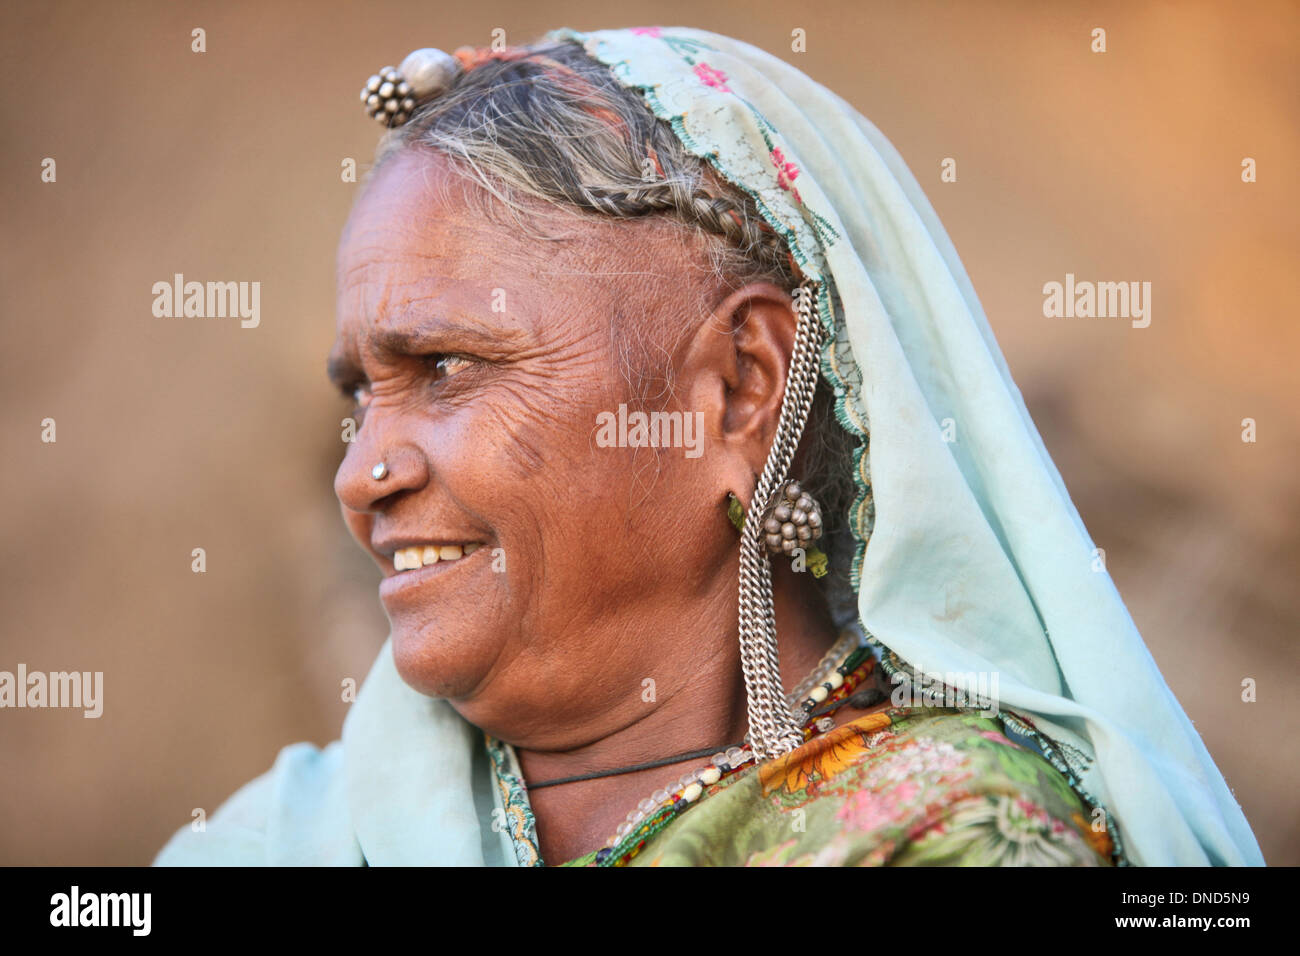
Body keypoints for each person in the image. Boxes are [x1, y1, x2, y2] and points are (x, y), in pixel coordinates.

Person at [155, 26, 1264, 866]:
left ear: (736, 390)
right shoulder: (284, 837)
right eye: (362, 392)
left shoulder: (952, 834)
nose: (362, 474)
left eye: (446, 366)